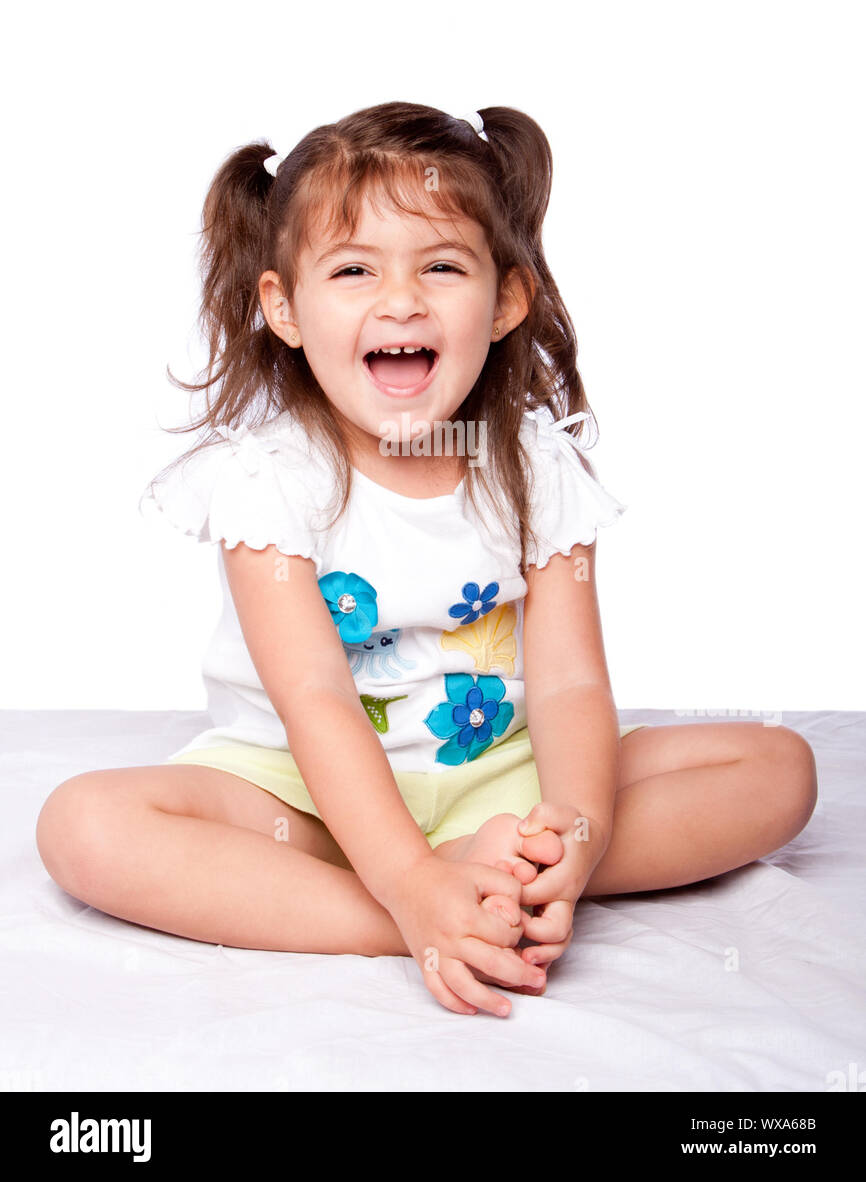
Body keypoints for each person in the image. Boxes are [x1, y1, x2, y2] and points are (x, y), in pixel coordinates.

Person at [35, 102, 818, 1019]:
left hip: (502, 778)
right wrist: (408, 883)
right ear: (284, 308)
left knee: (779, 769)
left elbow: (569, 685)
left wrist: (578, 831)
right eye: (354, 270)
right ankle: (421, 912)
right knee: (84, 826)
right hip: (306, 799)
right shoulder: (269, 480)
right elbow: (317, 700)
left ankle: (500, 877)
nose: (400, 300)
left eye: (441, 266)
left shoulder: (537, 466)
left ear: (507, 300)